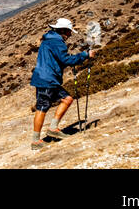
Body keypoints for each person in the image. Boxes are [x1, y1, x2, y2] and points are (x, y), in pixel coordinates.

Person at [29, 18, 94, 150]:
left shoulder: (49, 39)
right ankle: (36, 141)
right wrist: (84, 55)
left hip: (45, 78)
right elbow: (66, 59)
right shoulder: (57, 42)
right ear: (63, 30)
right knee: (42, 107)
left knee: (67, 99)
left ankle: (53, 128)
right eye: (69, 32)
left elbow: (60, 59)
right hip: (47, 79)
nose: (70, 35)